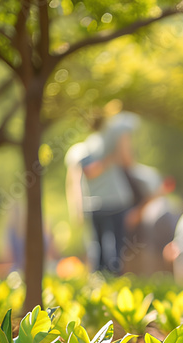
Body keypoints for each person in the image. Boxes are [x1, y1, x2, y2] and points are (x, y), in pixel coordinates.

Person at [66, 102, 143, 274]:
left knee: (103, 251)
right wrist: (112, 158)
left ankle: (104, 284)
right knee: (109, 251)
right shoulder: (94, 144)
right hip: (109, 203)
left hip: (103, 203)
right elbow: (123, 161)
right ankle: (108, 284)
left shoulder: (95, 142)